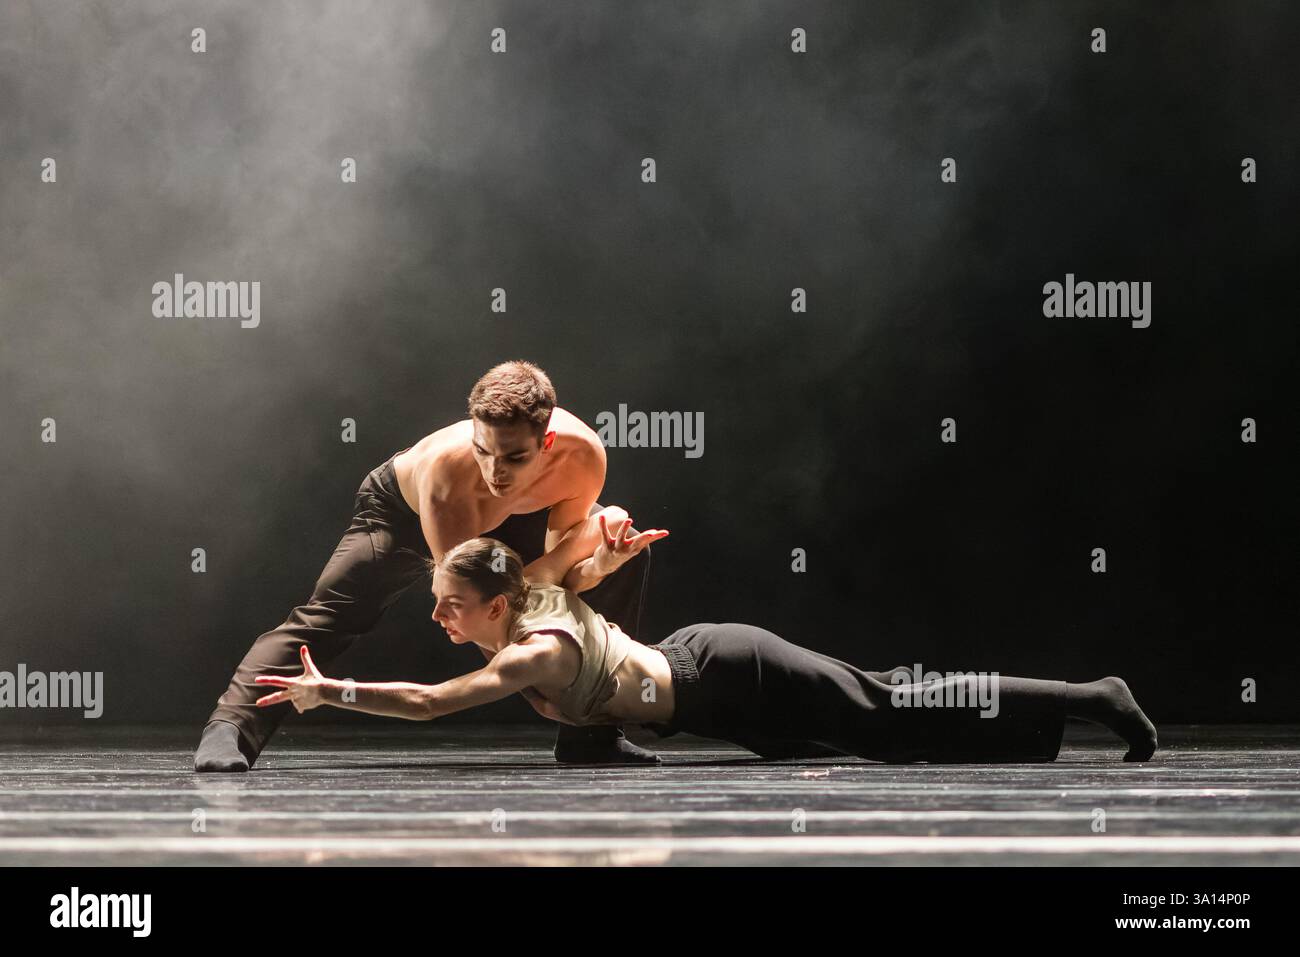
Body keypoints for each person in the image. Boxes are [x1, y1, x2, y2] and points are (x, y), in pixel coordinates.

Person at [252, 515, 1160, 765]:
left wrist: (329, 691)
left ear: (494, 603)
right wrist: (609, 540)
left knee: (892, 706)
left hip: (732, 671)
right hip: (712, 689)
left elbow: (433, 703)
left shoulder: (534, 650)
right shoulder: (529, 594)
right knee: (892, 726)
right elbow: (579, 557)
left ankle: (1091, 699)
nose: (439, 619)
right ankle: (1061, 717)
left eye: (451, 605)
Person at [194, 360, 659, 772]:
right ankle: (232, 723)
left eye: (515, 458)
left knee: (623, 548)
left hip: (514, 520)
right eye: (484, 451)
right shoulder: (448, 478)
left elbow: (560, 586)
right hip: (404, 515)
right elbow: (471, 606)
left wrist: (601, 565)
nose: (496, 472)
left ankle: (592, 735)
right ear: (472, 431)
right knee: (330, 615)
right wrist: (538, 695)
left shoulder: (581, 458)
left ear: (547, 441)